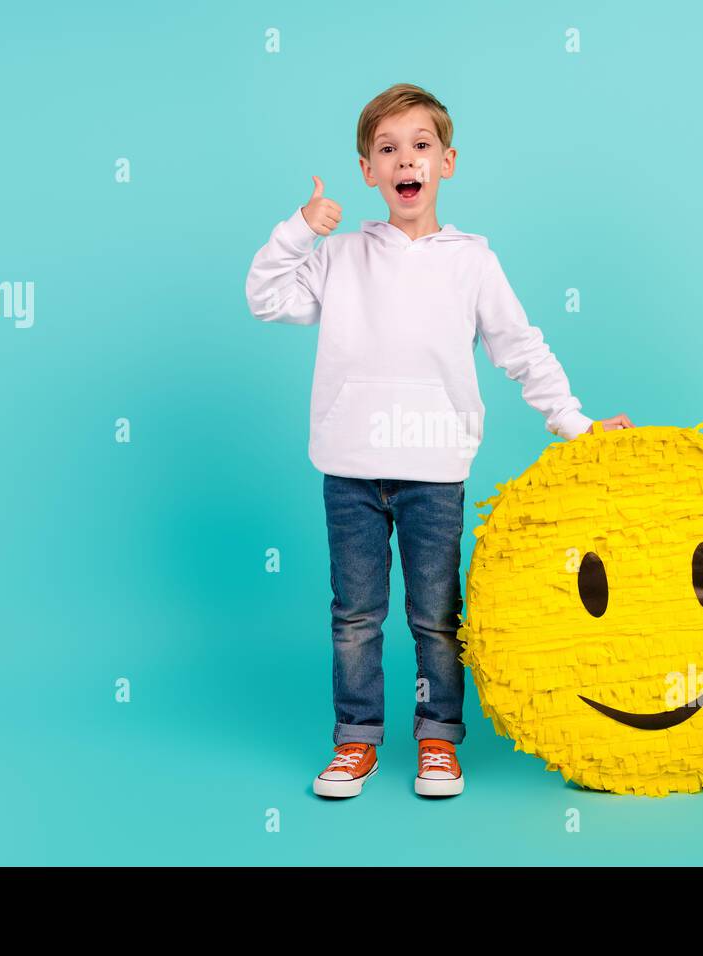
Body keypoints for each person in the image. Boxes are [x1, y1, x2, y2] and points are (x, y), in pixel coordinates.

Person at [244, 82, 633, 799]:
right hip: (350, 469)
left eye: (420, 145)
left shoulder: (472, 261)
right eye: (387, 149)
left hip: (433, 471)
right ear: (368, 170)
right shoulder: (340, 256)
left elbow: (520, 347)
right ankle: (356, 740)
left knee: (436, 617)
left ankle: (437, 739)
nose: (405, 160)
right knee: (356, 616)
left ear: (446, 161)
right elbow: (265, 297)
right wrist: (300, 230)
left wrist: (574, 423)